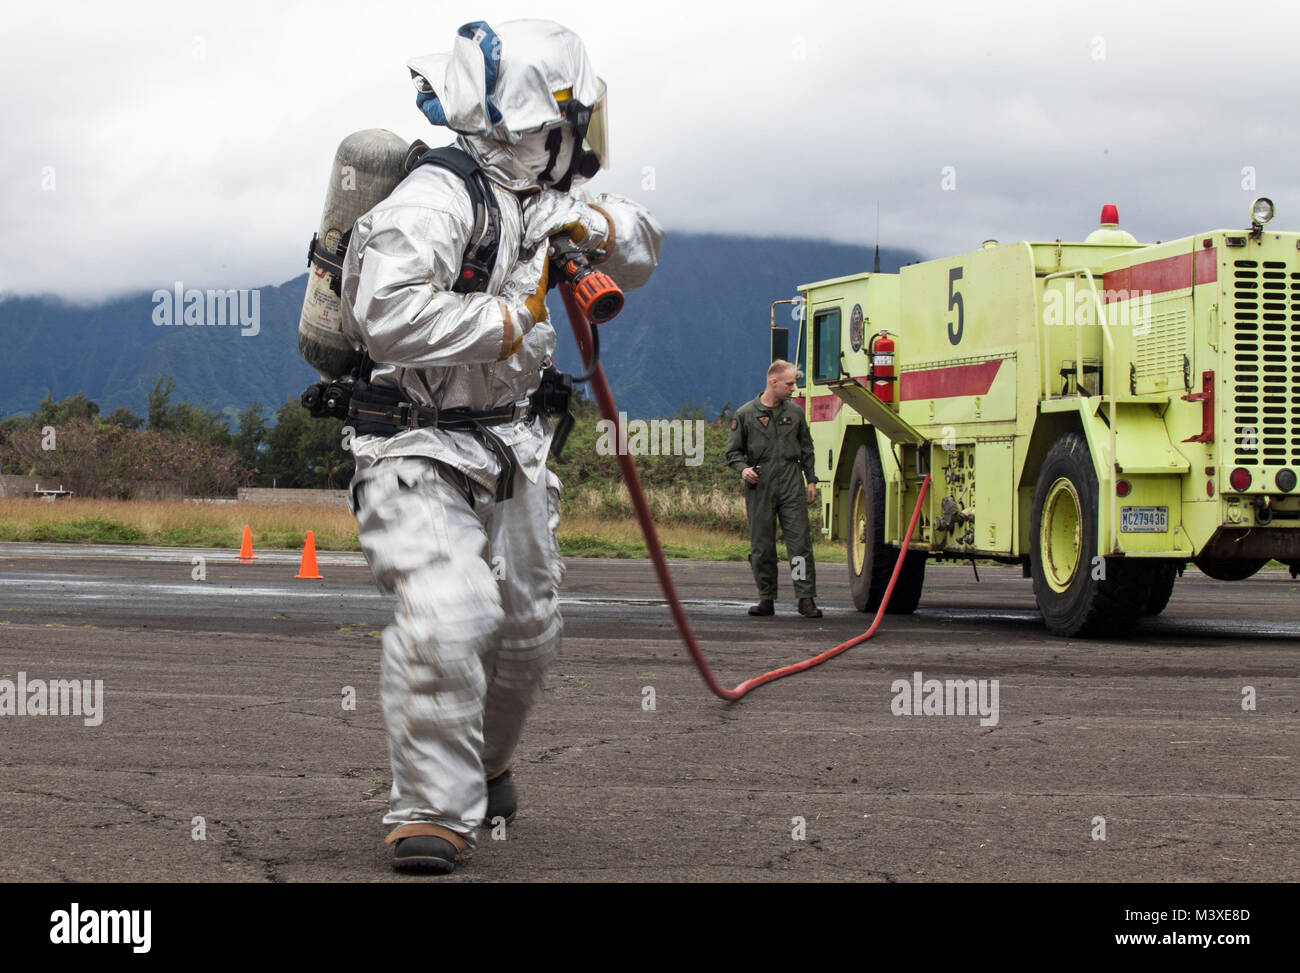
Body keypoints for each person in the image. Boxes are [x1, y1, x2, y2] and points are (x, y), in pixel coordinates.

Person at [339, 18, 662, 874]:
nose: (584, 140)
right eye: (573, 122)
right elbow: (384, 314)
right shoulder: (436, 199)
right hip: (413, 448)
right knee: (453, 613)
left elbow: (642, 244)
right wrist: (508, 318)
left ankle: (483, 764)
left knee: (527, 629)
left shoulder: (539, 201)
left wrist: (592, 229)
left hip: (513, 450)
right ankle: (431, 812)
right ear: (538, 121)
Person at [726, 360, 822, 618]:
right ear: (773, 382)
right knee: (762, 544)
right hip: (761, 482)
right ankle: (766, 598)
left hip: (791, 480)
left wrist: (811, 480)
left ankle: (805, 598)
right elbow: (733, 452)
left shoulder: (796, 413)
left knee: (800, 544)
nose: (794, 388)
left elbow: (807, 448)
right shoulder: (745, 414)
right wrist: (743, 469)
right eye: (790, 383)